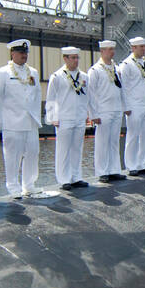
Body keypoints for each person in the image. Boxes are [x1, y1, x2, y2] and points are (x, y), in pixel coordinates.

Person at [0, 39, 44, 198]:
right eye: (21, 53)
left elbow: (37, 96)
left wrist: (37, 117)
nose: (24, 55)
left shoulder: (33, 72)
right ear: (12, 53)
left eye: (26, 53)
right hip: (12, 121)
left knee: (33, 152)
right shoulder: (3, 73)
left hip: (30, 121)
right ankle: (13, 186)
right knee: (12, 155)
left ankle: (29, 184)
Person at [46, 46, 94, 189]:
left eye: (77, 58)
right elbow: (51, 98)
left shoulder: (84, 77)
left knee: (77, 148)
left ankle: (76, 176)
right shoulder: (57, 76)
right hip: (64, 118)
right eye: (72, 58)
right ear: (65, 59)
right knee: (63, 150)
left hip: (79, 117)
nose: (75, 60)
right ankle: (64, 179)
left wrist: (88, 114)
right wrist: (52, 118)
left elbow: (88, 98)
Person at [89, 40, 127, 181]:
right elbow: (91, 94)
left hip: (116, 109)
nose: (112, 52)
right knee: (102, 142)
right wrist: (93, 114)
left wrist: (124, 107)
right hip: (103, 110)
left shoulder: (116, 69)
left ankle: (114, 169)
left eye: (113, 49)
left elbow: (121, 89)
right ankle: (102, 172)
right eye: (109, 49)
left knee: (113, 141)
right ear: (102, 51)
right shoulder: (95, 70)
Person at [120, 36, 145, 175]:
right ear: (133, 48)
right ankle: (132, 165)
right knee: (133, 136)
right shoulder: (127, 64)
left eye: (144, 46)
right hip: (134, 105)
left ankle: (143, 164)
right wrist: (126, 107)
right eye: (141, 47)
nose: (143, 49)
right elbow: (124, 87)